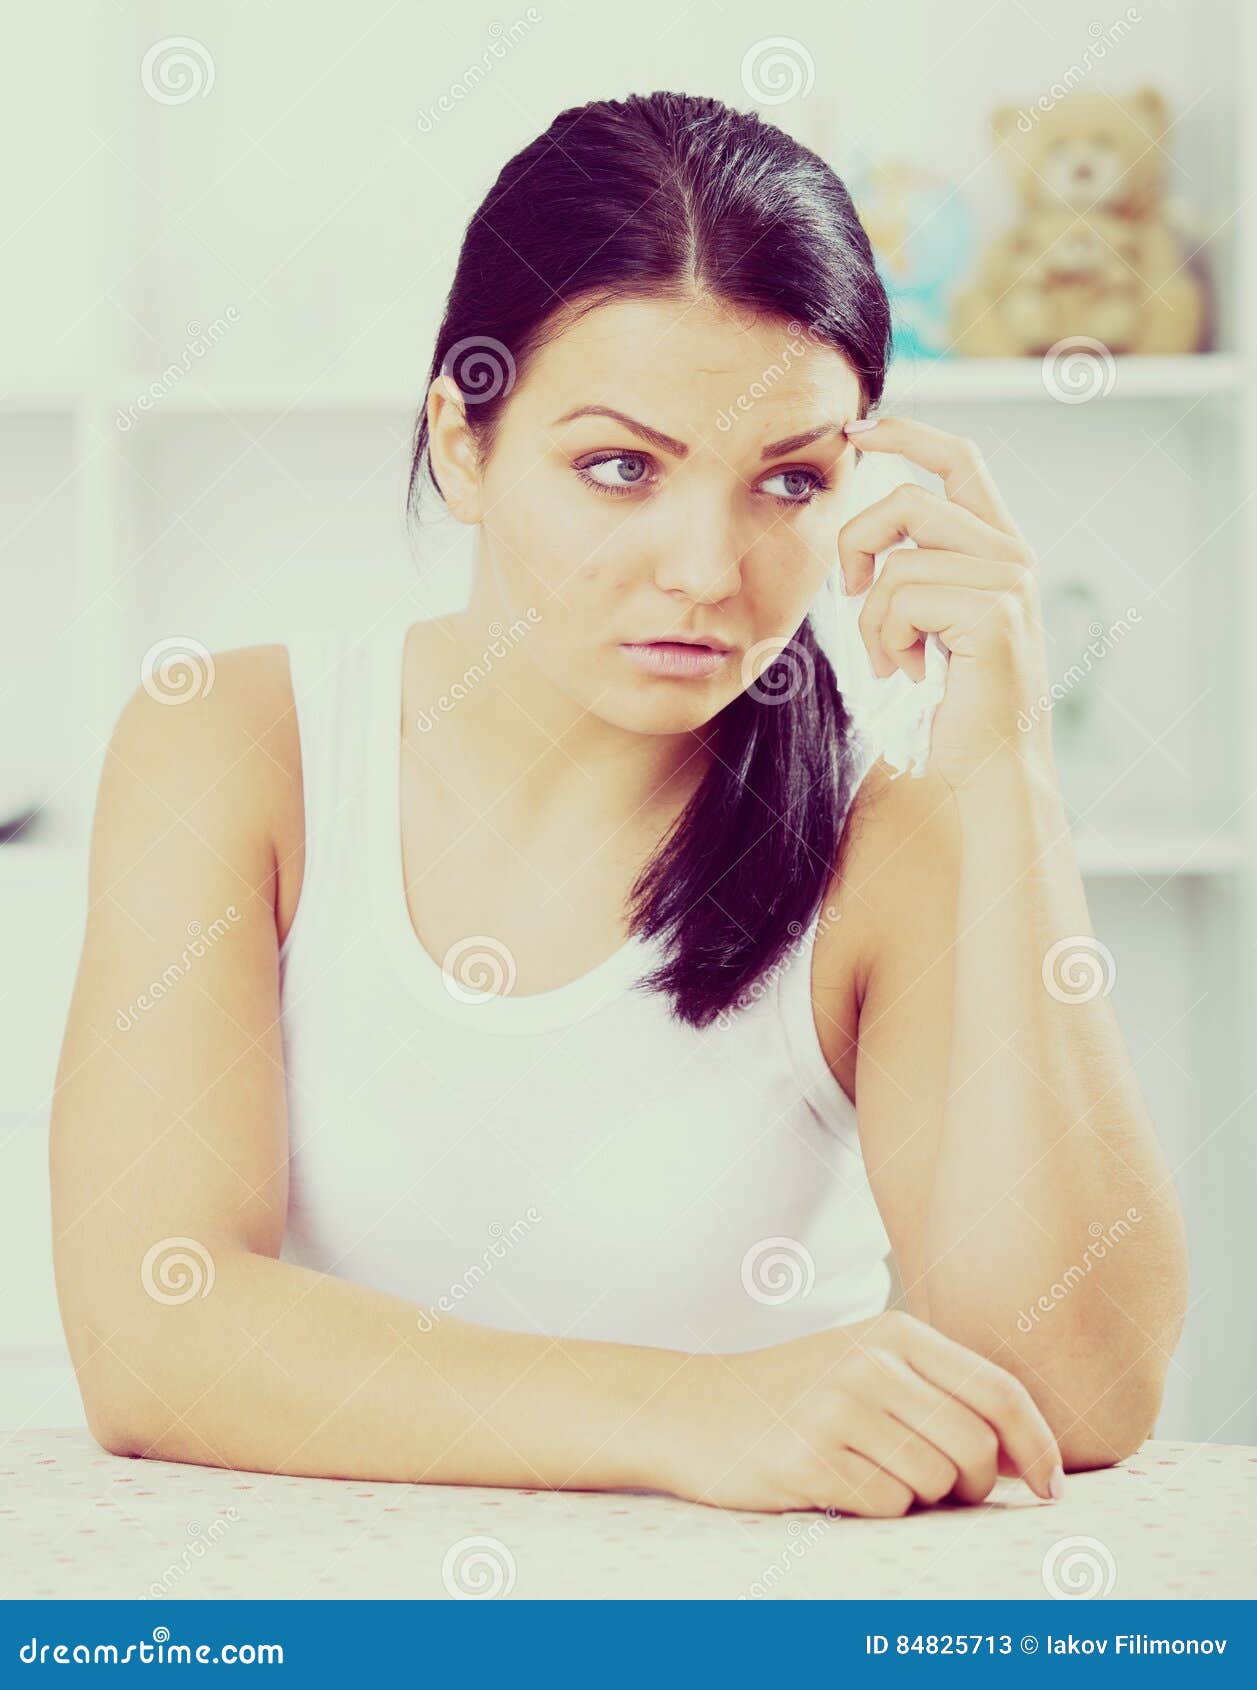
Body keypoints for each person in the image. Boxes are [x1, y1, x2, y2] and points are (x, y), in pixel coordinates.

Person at [50, 90, 1187, 1517]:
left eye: (788, 481)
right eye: (619, 467)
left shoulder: (888, 833)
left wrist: (1005, 770)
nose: (707, 570)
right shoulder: (230, 745)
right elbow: (151, 1330)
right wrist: (694, 1414)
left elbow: (1075, 1394)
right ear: (462, 443)